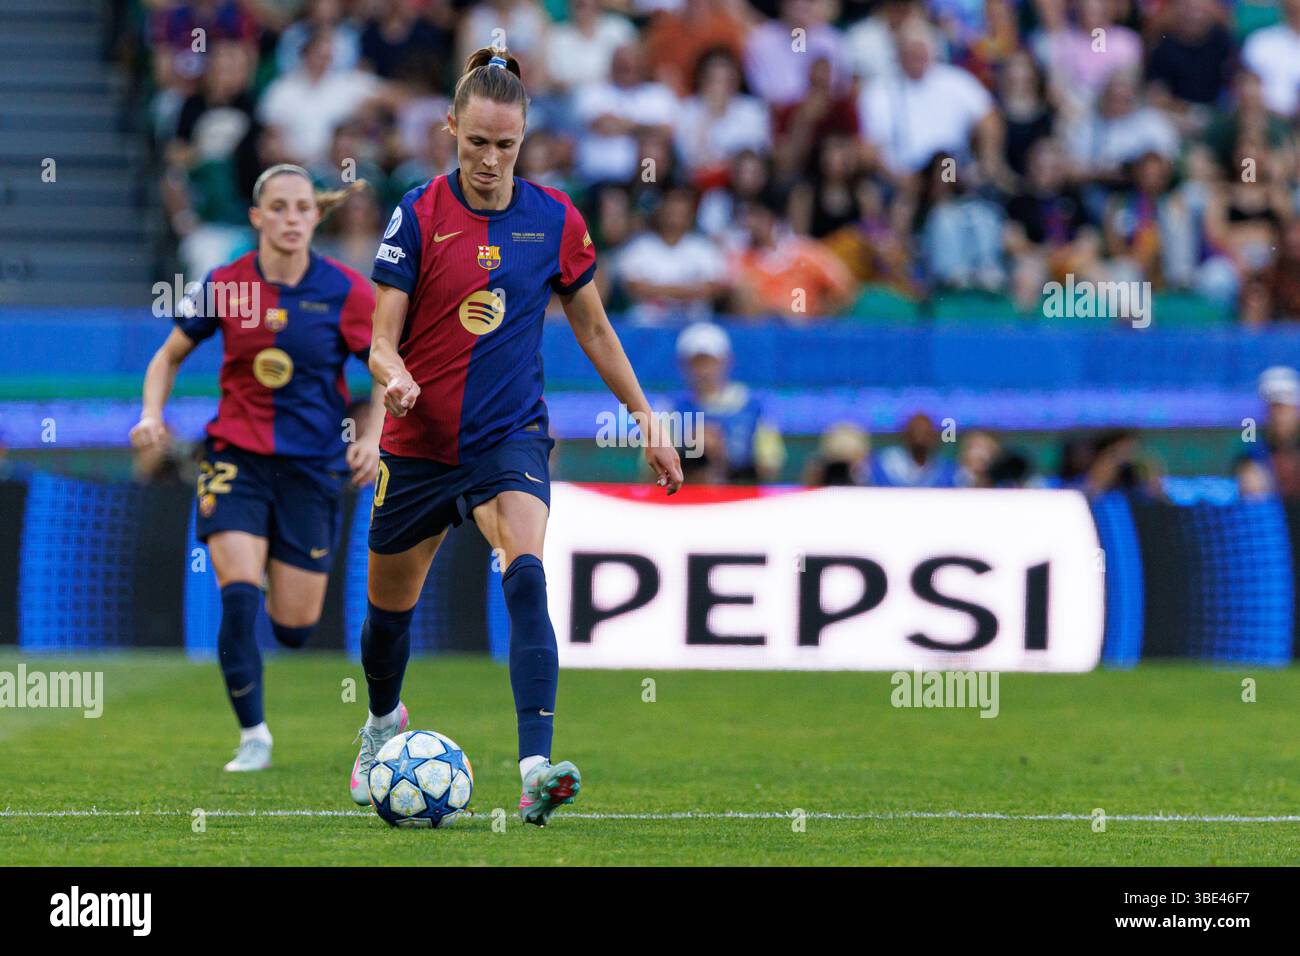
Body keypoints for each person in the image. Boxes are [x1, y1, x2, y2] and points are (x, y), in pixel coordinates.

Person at [352, 47, 684, 827]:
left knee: (526, 572)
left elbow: (594, 328)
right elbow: (378, 341)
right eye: (477, 142)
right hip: (418, 446)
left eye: (505, 145)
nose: (490, 160)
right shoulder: (419, 214)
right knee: (385, 622)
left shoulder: (554, 220)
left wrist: (646, 417)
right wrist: (395, 377)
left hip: (510, 438)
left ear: (525, 137)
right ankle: (381, 724)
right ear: (450, 129)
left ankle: (537, 768)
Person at [130, 165, 384, 772]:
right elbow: (167, 356)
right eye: (279, 207)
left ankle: (272, 563)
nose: (291, 218)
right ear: (257, 216)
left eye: (302, 207)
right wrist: (151, 414)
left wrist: (373, 437)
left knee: (295, 627)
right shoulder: (227, 284)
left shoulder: (347, 291)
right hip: (234, 459)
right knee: (239, 596)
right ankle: (253, 736)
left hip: (312, 470)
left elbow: (384, 367)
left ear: (315, 217)